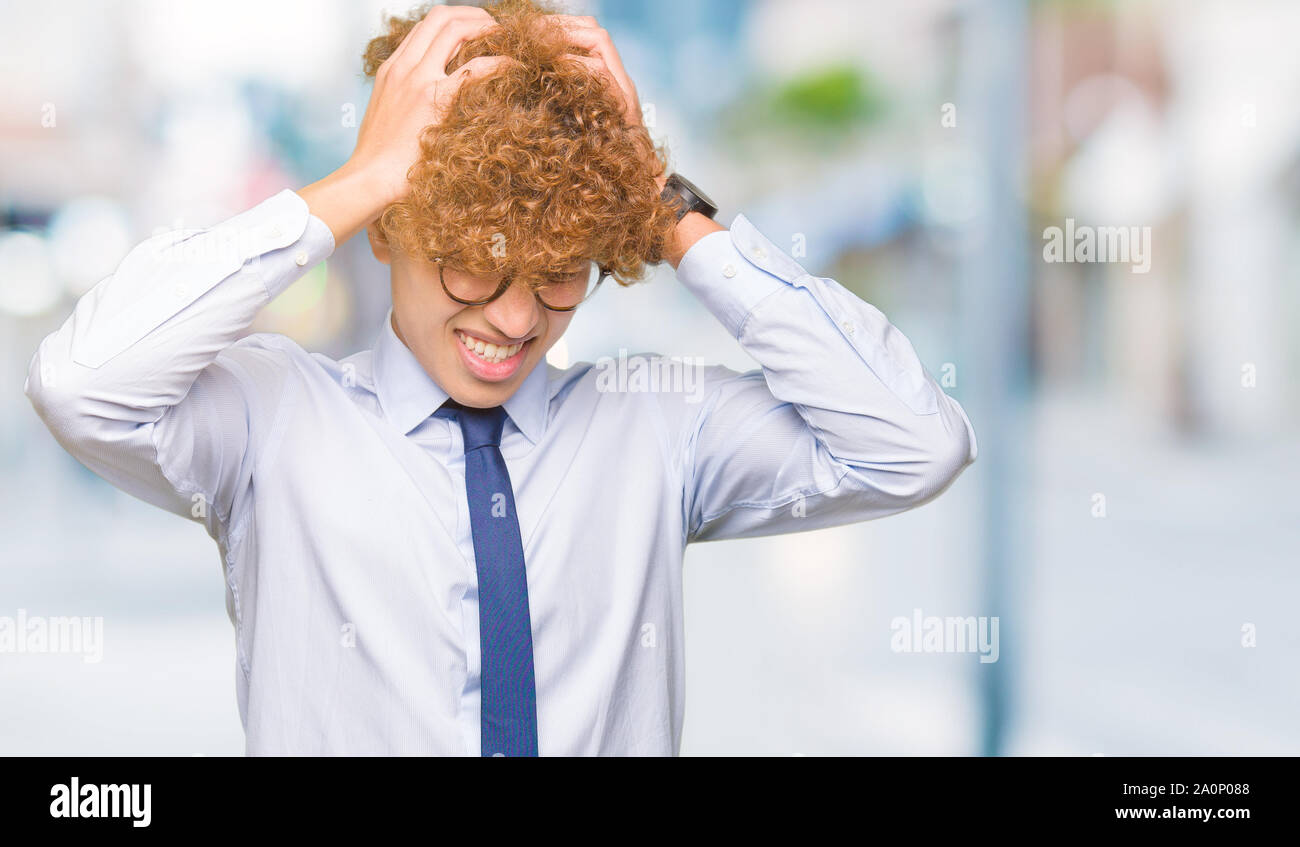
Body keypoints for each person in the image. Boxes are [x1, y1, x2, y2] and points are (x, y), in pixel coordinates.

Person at [24, 0, 977, 756]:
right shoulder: (270, 422)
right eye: (472, 265)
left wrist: (656, 199)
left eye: (559, 272)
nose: (517, 320)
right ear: (392, 231)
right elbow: (80, 384)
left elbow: (915, 444)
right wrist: (360, 180)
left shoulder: (658, 424)